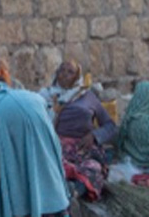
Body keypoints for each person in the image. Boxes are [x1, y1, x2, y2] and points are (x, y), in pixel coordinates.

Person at [0, 58, 71, 217]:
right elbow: (54, 145)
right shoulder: (35, 99)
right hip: (50, 191)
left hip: (15, 199)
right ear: (6, 75)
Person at [38, 60, 116, 200]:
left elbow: (110, 125)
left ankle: (74, 192)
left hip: (83, 149)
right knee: (51, 169)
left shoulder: (87, 96)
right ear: (57, 73)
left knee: (93, 168)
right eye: (62, 70)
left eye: (70, 72)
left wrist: (94, 135)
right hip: (55, 146)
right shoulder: (45, 96)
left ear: (77, 77)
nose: (65, 74)